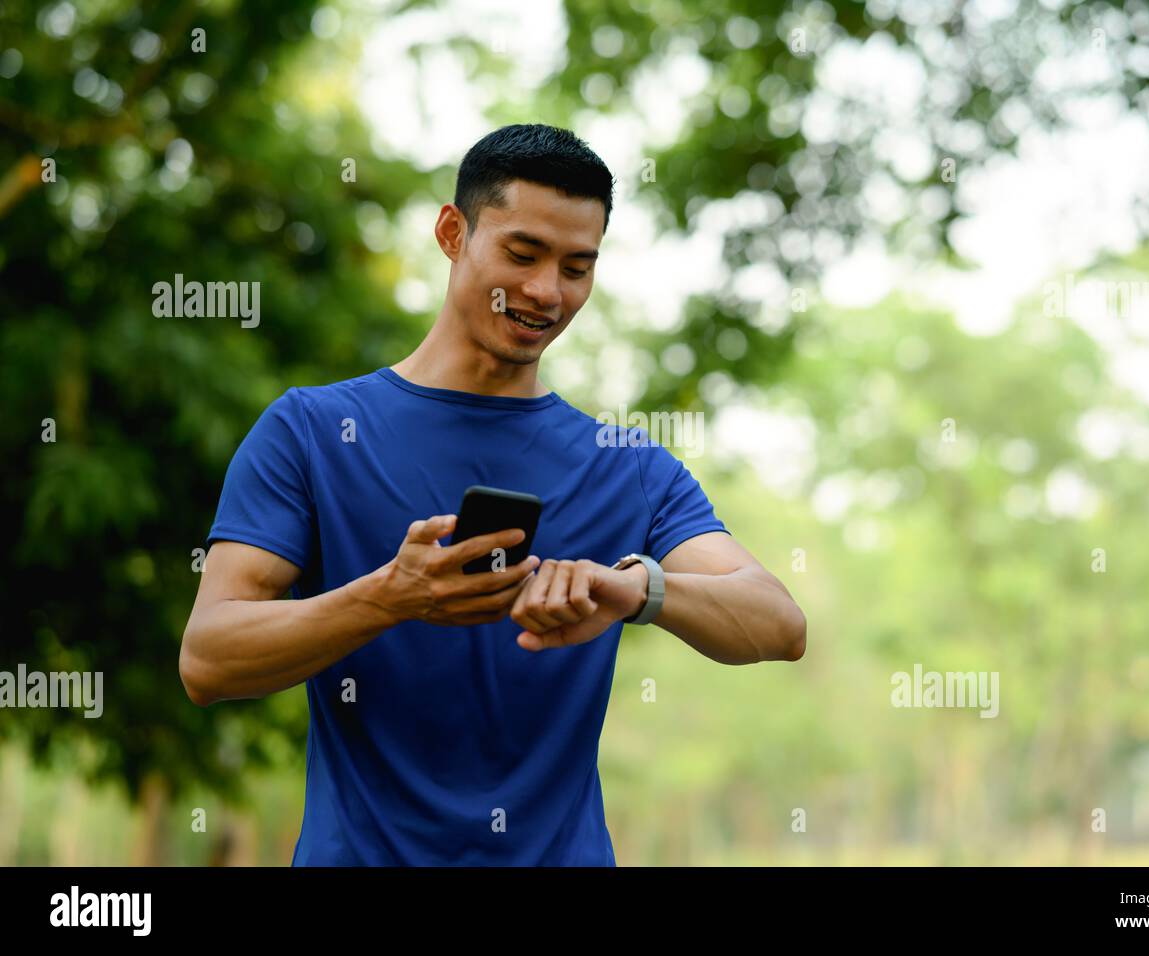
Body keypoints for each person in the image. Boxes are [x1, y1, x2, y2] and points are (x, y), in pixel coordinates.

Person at [179, 123, 807, 866]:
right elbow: (208, 660)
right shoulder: (310, 432)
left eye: (577, 267)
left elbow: (779, 624)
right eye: (522, 253)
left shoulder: (629, 467)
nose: (547, 292)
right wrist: (388, 597)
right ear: (453, 233)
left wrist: (636, 588)